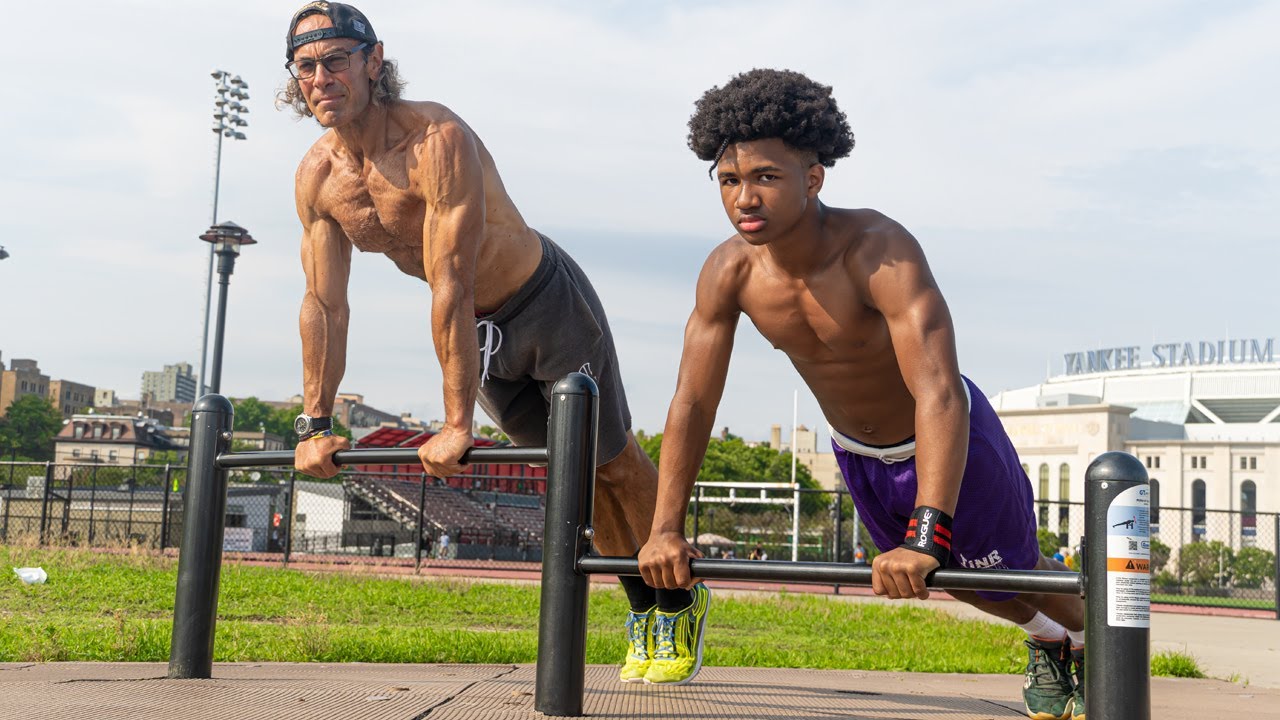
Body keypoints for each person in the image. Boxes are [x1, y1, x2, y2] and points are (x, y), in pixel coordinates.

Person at [637, 69, 1086, 720]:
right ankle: (1050, 641)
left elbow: (937, 389)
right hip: (858, 454)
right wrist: (664, 530)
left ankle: (1100, 650)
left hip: (947, 438)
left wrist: (927, 531)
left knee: (1004, 567)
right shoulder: (727, 271)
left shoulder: (878, 250)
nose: (744, 198)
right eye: (729, 180)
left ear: (813, 178)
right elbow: (692, 404)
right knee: (963, 586)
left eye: (765, 176)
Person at [278, 2, 699, 685]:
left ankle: (677, 601)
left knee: (614, 461)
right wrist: (316, 422)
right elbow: (324, 304)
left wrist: (454, 424)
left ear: (373, 62)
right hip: (478, 331)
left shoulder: (435, 138)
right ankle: (640, 607)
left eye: (335, 61)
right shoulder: (317, 177)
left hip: (545, 302)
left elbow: (451, 277)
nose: (321, 77)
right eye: (306, 67)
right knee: (576, 475)